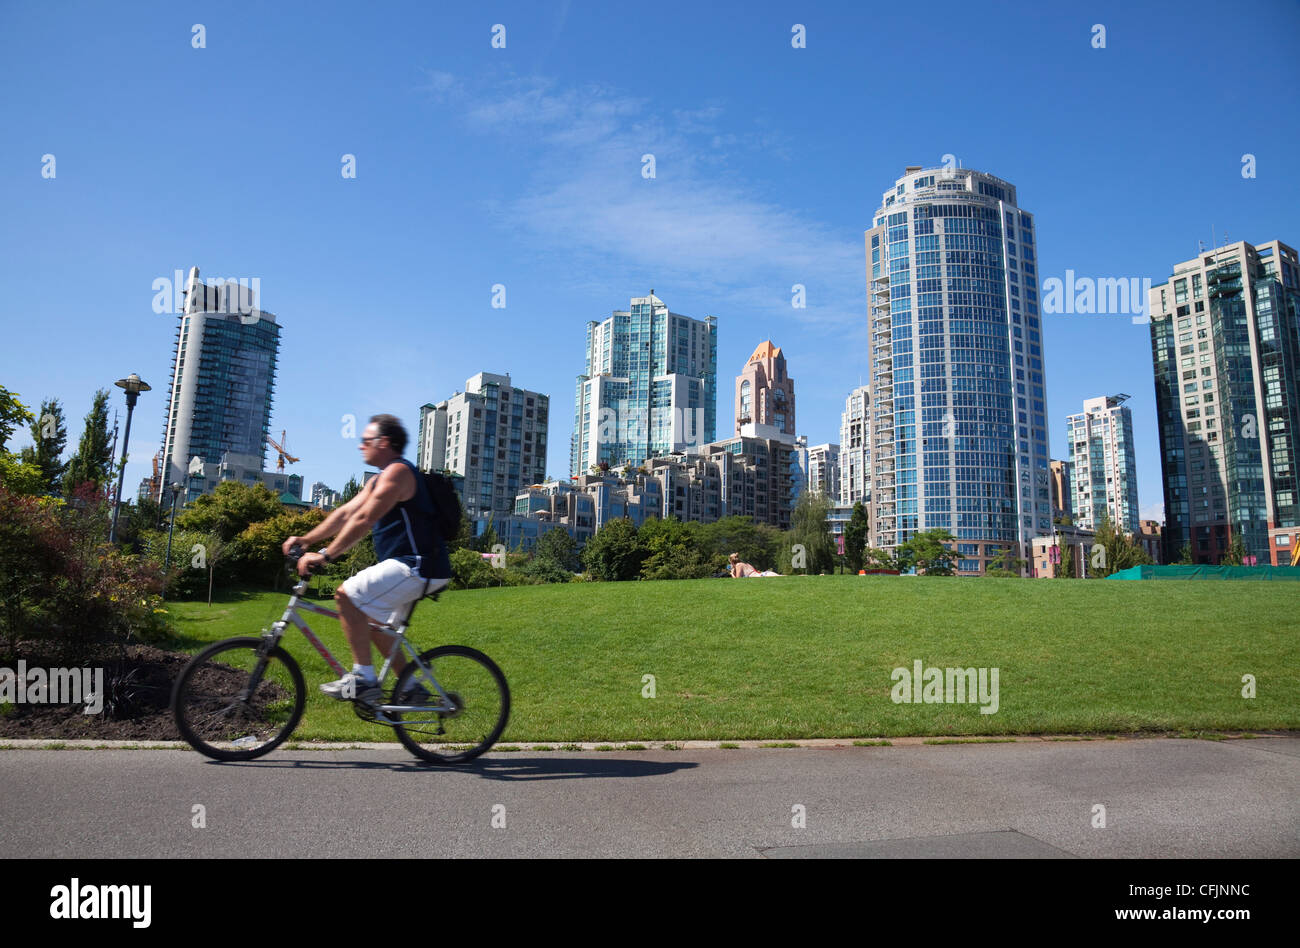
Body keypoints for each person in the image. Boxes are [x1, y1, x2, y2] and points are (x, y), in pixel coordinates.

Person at [282, 414, 451, 703]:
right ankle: (411, 689)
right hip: (413, 566)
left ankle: (363, 679)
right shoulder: (381, 478)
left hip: (418, 564)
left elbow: (363, 519)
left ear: (383, 442)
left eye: (366, 441)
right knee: (373, 623)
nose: (361, 446)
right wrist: (307, 539)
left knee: (346, 596)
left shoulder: (398, 473)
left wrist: (324, 555)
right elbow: (346, 513)